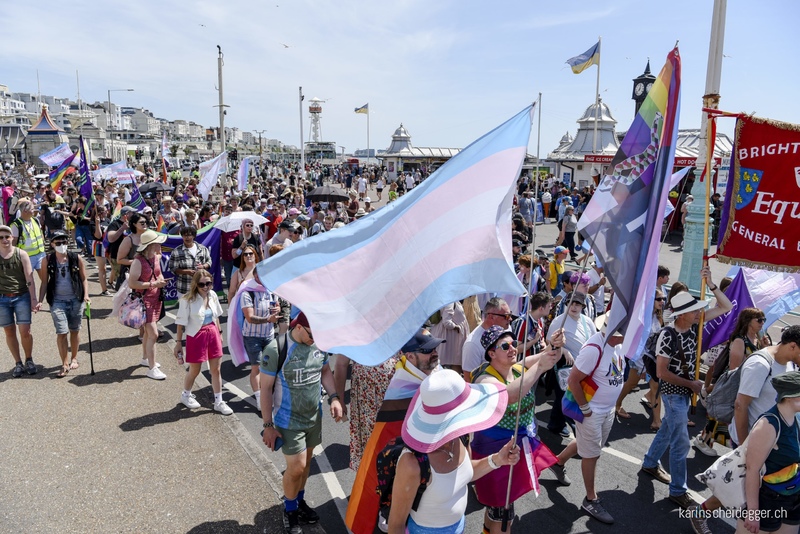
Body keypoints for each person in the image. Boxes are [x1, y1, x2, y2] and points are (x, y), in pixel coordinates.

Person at [640, 269, 732, 511]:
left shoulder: (695, 325)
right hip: (672, 393)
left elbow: (726, 307)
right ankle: (678, 491)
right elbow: (661, 373)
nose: (699, 312)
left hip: (684, 392)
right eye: (694, 310)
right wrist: (691, 384)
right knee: (681, 442)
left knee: (669, 430)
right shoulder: (667, 336)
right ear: (681, 315)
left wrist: (711, 284)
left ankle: (650, 462)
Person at [388, 369, 518, 534]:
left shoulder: (459, 439)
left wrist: (497, 460)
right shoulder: (411, 462)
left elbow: (464, 473)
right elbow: (395, 526)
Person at [343, 330, 445, 534]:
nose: (434, 352)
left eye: (435, 347)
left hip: (428, 451)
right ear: (410, 356)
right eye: (427, 350)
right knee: (394, 484)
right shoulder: (403, 384)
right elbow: (388, 437)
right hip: (404, 455)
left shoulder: (434, 370)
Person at [470, 326, 561, 534]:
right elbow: (508, 395)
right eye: (505, 346)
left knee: (498, 506)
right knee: (504, 514)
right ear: (491, 353)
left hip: (516, 451)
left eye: (513, 344)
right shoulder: (485, 378)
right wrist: (539, 368)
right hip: (496, 453)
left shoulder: (518, 367)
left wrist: (555, 344)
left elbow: (549, 356)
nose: (512, 349)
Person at [260, 312, 343, 534]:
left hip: (313, 416)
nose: (315, 340)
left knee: (306, 465)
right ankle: (289, 510)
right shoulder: (276, 349)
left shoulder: (318, 343)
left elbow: (325, 370)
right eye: (311, 335)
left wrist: (334, 397)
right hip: (288, 420)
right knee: (296, 468)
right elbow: (265, 388)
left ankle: (299, 501)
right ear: (298, 327)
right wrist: (268, 426)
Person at [567, 328, 626, 524]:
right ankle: (590, 499)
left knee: (591, 445)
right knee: (592, 454)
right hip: (592, 411)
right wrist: (585, 409)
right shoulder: (593, 349)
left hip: (606, 410)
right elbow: (573, 380)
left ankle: (558, 462)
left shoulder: (618, 344)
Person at [737, 371, 800, 534]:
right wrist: (753, 512)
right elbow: (752, 469)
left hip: (792, 497)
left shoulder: (795, 418)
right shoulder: (768, 424)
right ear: (793, 396)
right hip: (767, 500)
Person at [173, 270, 232, 415]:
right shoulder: (187, 300)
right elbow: (180, 324)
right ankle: (185, 395)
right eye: (202, 284)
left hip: (212, 333)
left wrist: (219, 333)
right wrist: (178, 343)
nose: (206, 287)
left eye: (208, 283)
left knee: (216, 369)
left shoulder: (212, 295)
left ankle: (218, 401)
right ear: (195, 284)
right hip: (196, 335)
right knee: (195, 370)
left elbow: (216, 316)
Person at [38, 231, 89, 377]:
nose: (62, 245)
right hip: (57, 301)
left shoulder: (75, 258)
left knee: (75, 330)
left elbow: (84, 279)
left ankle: (74, 358)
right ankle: (64, 363)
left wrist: (86, 295)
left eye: (64, 242)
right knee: (62, 332)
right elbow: (44, 282)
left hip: (76, 299)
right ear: (52, 244)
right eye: (58, 243)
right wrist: (40, 301)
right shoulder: (47, 260)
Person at [547, 291, 597, 437]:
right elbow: (549, 343)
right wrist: (563, 350)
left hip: (583, 367)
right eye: (571, 303)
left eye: (577, 304)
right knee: (567, 397)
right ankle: (577, 429)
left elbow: (593, 340)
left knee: (563, 398)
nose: (574, 307)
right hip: (565, 367)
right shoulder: (559, 321)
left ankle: (555, 424)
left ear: (583, 306)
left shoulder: (587, 321)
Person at [239, 269, 288, 408]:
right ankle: (260, 399)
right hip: (252, 336)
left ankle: (268, 394)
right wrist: (268, 319)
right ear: (255, 276)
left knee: (269, 367)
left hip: (269, 335)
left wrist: (277, 310)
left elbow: (277, 306)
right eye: (261, 274)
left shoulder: (271, 290)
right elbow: (249, 317)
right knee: (257, 367)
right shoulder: (247, 292)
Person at [0, 224, 40, 377]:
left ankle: (29, 359)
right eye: (1, 237)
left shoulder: (21, 254)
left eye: (7, 236)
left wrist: (33, 299)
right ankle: (18, 363)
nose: (4, 240)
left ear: (12, 238)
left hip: (21, 296)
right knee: (9, 331)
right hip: (2, 299)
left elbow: (30, 278)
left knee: (25, 331)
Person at [128, 229, 168, 379]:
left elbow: (158, 273)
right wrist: (154, 283)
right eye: (157, 243)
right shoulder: (138, 261)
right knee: (153, 334)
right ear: (150, 245)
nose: (160, 246)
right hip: (144, 301)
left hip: (155, 298)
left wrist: (161, 281)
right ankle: (152, 368)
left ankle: (145, 358)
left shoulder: (156, 257)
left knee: (148, 332)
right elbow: (133, 282)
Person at [461, 297, 512, 382]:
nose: (510, 319)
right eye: (506, 316)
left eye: (510, 314)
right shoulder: (472, 344)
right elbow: (468, 378)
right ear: (491, 317)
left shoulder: (506, 328)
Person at [10, 199, 46, 293]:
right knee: (28, 282)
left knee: (45, 280)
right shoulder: (16, 225)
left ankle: (48, 300)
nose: (34, 210)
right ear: (25, 211)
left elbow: (41, 234)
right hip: (26, 258)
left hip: (40, 255)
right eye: (32, 209)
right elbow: (13, 243)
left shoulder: (35, 220)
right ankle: (31, 302)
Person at [167, 225, 212, 299]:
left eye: (189, 235)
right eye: (184, 235)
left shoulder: (203, 249)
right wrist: (186, 271)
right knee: (184, 309)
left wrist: (203, 266)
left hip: (202, 287)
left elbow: (209, 261)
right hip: (184, 287)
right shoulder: (176, 251)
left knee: (201, 309)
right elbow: (172, 268)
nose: (186, 238)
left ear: (194, 236)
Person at [429, 300, 469, 375]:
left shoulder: (450, 300)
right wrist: (456, 327)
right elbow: (446, 322)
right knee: (455, 361)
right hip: (450, 337)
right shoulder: (450, 302)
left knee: (455, 362)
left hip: (450, 336)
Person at [116, 212, 147, 284]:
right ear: (134, 224)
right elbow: (119, 260)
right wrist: (138, 262)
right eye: (142, 223)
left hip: (148, 274)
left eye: (146, 222)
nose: (145, 224)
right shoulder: (128, 240)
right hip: (132, 275)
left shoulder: (150, 237)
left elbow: (158, 253)